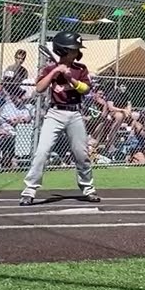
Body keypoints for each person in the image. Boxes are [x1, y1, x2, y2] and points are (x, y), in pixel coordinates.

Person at [19, 32, 100, 206]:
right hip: (55, 114)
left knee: (82, 154)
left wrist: (70, 78)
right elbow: (40, 88)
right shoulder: (50, 69)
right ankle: (29, 190)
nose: (76, 52)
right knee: (42, 152)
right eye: (72, 49)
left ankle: (88, 189)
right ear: (63, 50)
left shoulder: (80, 69)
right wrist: (56, 71)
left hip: (75, 114)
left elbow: (85, 89)